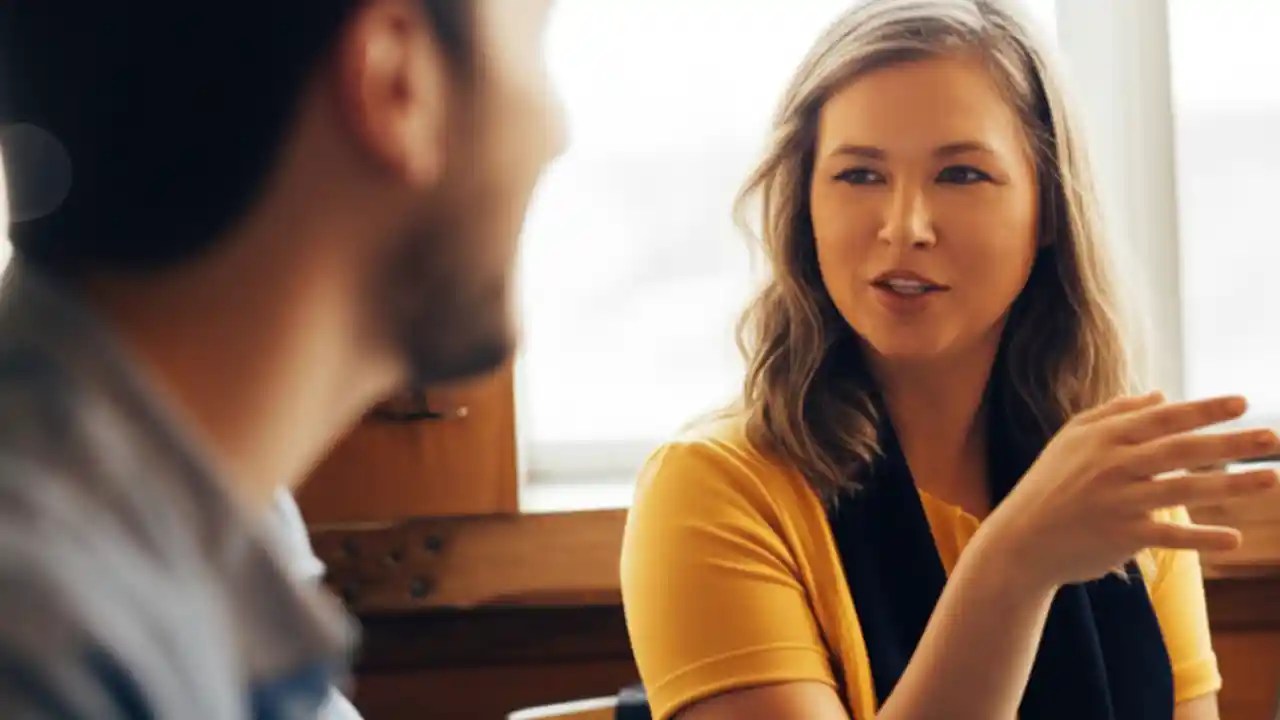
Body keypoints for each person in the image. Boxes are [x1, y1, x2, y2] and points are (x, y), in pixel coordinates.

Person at [620, 1, 1277, 719]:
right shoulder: (715, 489)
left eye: (961, 175)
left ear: (1050, 207)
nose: (905, 226)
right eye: (859, 176)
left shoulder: (1115, 488)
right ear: (803, 204)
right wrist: (1015, 564)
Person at [0, 0, 562, 717]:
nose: (556, 134)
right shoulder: (45, 644)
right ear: (398, 82)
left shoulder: (218, 518)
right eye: (534, 35)